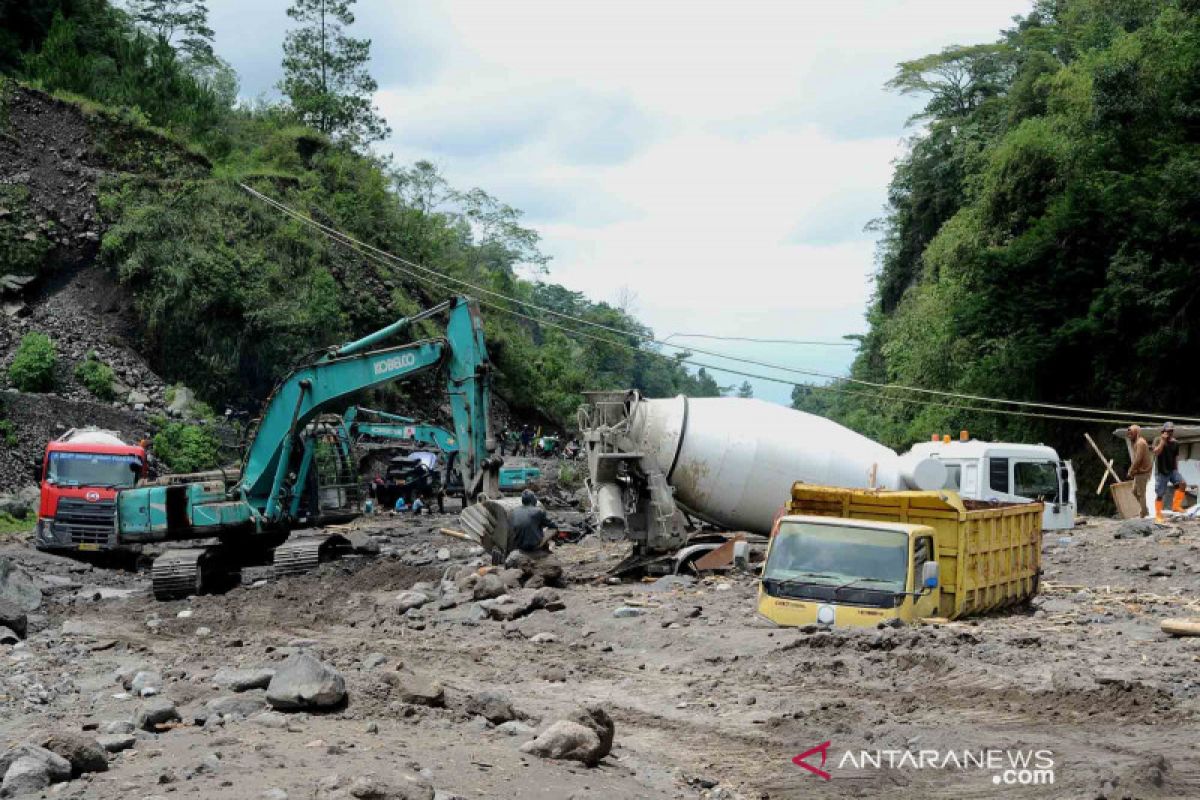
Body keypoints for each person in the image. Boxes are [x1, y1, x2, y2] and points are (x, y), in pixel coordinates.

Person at [1152, 421, 1188, 522]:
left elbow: (1175, 457)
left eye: (1171, 431)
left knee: (1182, 484)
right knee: (1160, 494)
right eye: (1167, 431)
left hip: (1172, 470)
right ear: (1163, 431)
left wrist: (1177, 471)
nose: (1169, 433)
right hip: (1161, 471)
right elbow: (1156, 452)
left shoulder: (1175, 443)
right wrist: (1163, 441)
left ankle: (1176, 506)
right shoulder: (1157, 440)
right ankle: (1158, 514)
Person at [1126, 425, 1152, 518]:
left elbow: (1138, 459)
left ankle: (1144, 513)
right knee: (1134, 491)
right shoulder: (1137, 442)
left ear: (1136, 433)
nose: (1129, 435)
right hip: (1139, 472)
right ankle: (1144, 509)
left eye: (1131, 433)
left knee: (1141, 493)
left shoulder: (1140, 443)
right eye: (1128, 434)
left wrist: (1131, 470)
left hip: (1143, 472)